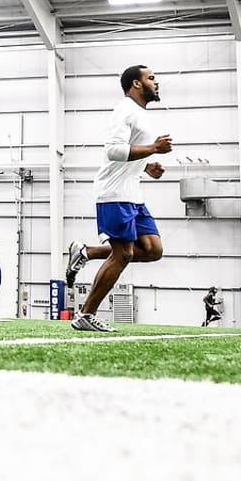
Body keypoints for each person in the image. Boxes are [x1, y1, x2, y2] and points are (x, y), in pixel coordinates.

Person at [65, 65, 171, 333]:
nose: (156, 82)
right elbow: (113, 151)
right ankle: (86, 314)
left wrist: (148, 166)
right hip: (114, 193)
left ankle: (86, 252)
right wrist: (154, 148)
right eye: (151, 78)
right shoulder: (124, 110)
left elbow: (130, 153)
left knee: (152, 250)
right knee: (123, 254)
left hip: (133, 194)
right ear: (136, 84)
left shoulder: (141, 114)